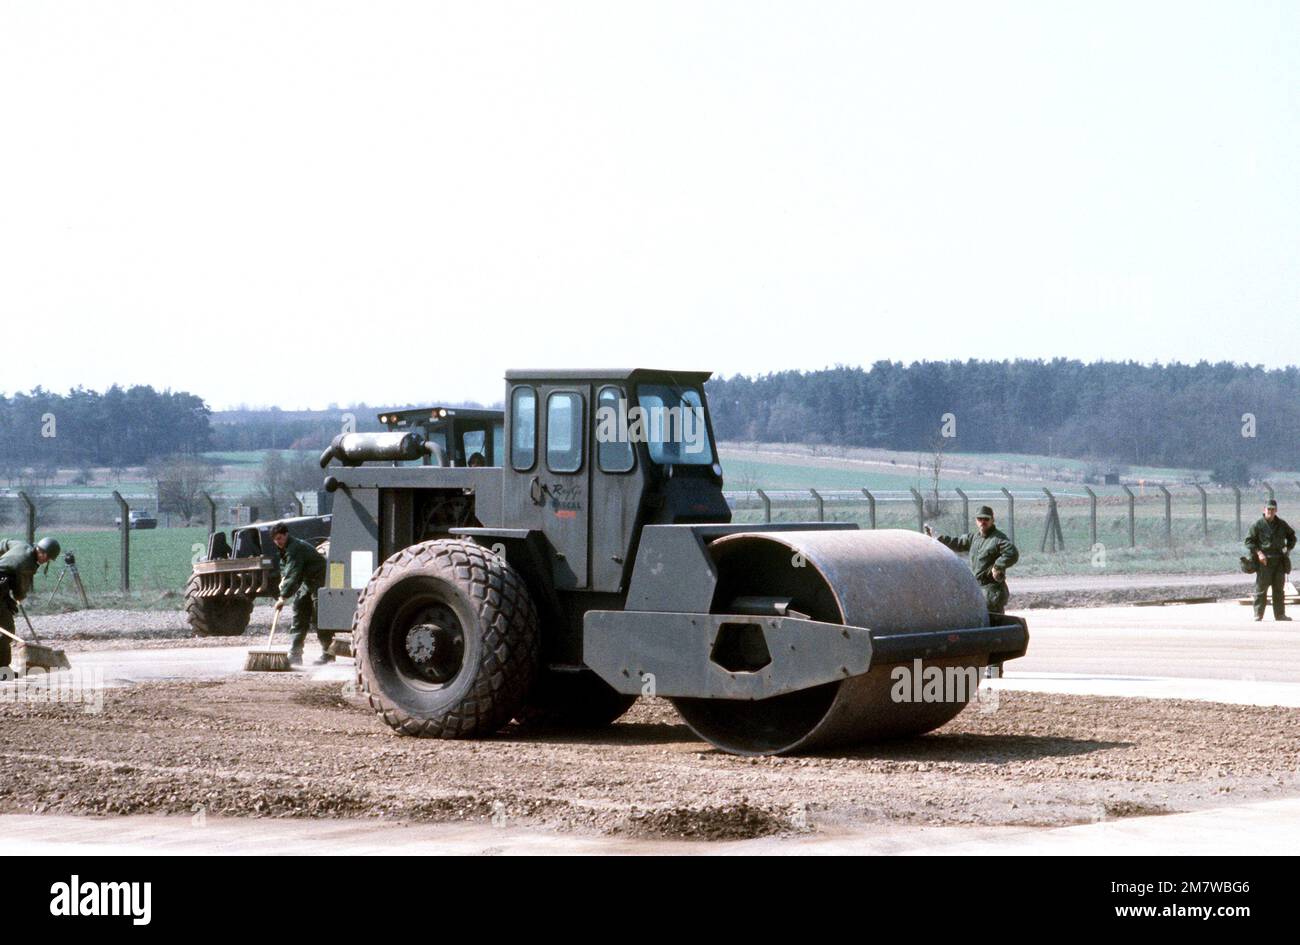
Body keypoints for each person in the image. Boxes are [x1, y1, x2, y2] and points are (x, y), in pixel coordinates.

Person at [926, 506, 1019, 616]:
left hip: (991, 591)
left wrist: (998, 566)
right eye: (980, 519)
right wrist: (937, 539)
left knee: (992, 624)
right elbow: (957, 543)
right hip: (977, 588)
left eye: (986, 519)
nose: (983, 522)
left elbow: (1012, 553)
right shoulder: (974, 538)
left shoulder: (998, 539)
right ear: (976, 521)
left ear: (992, 520)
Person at [0, 537, 60, 676]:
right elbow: (20, 588)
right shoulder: (28, 564)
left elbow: (4, 543)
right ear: (43, 553)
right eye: (48, 558)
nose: (46, 561)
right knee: (6, 629)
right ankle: (2, 671)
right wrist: (18, 597)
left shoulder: (21, 545)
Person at [271, 524, 330, 665]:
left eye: (279, 538)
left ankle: (328, 653)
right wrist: (282, 579)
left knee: (319, 617)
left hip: (320, 581)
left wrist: (283, 598)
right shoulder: (284, 549)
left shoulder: (295, 548)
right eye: (275, 540)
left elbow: (293, 574)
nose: (277, 542)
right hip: (307, 582)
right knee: (299, 614)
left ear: (286, 535)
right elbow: (285, 569)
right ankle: (295, 655)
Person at [1245, 498, 1295, 622]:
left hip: (1279, 561)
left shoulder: (1282, 524)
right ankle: (1258, 614)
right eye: (1268, 509)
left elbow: (1292, 537)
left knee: (1279, 589)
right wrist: (1259, 553)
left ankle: (1280, 615)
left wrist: (1287, 549)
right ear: (1264, 510)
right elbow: (1249, 541)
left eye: (1273, 509)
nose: (1270, 511)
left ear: (1276, 510)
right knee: (1261, 589)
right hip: (1264, 561)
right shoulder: (1258, 525)